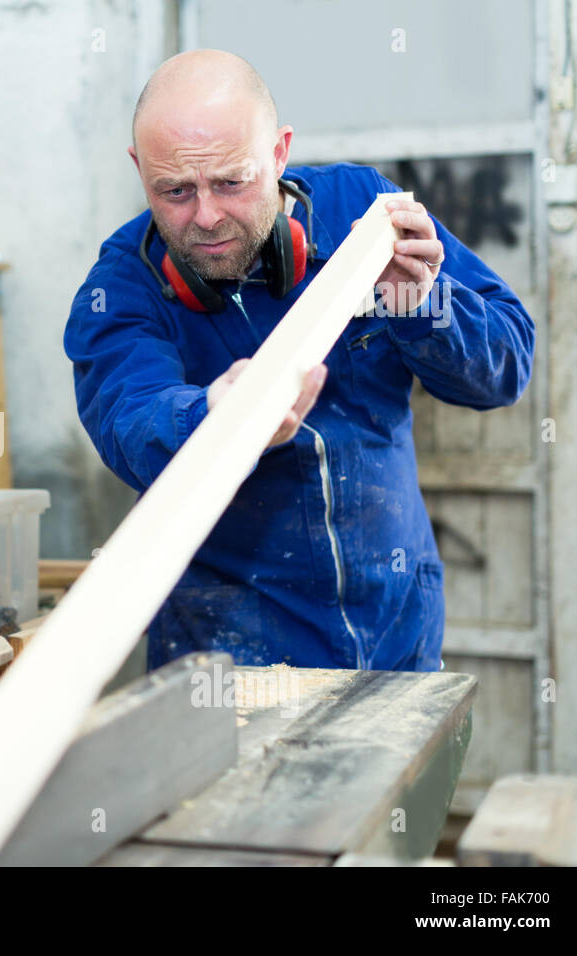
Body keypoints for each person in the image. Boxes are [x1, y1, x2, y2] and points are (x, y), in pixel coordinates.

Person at [64, 49, 534, 671]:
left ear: (280, 153)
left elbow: (507, 365)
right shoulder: (121, 288)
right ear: (139, 169)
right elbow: (129, 420)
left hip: (396, 631)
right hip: (229, 655)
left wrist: (422, 303)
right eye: (174, 190)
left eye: (232, 182)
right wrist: (209, 416)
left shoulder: (366, 216)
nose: (205, 216)